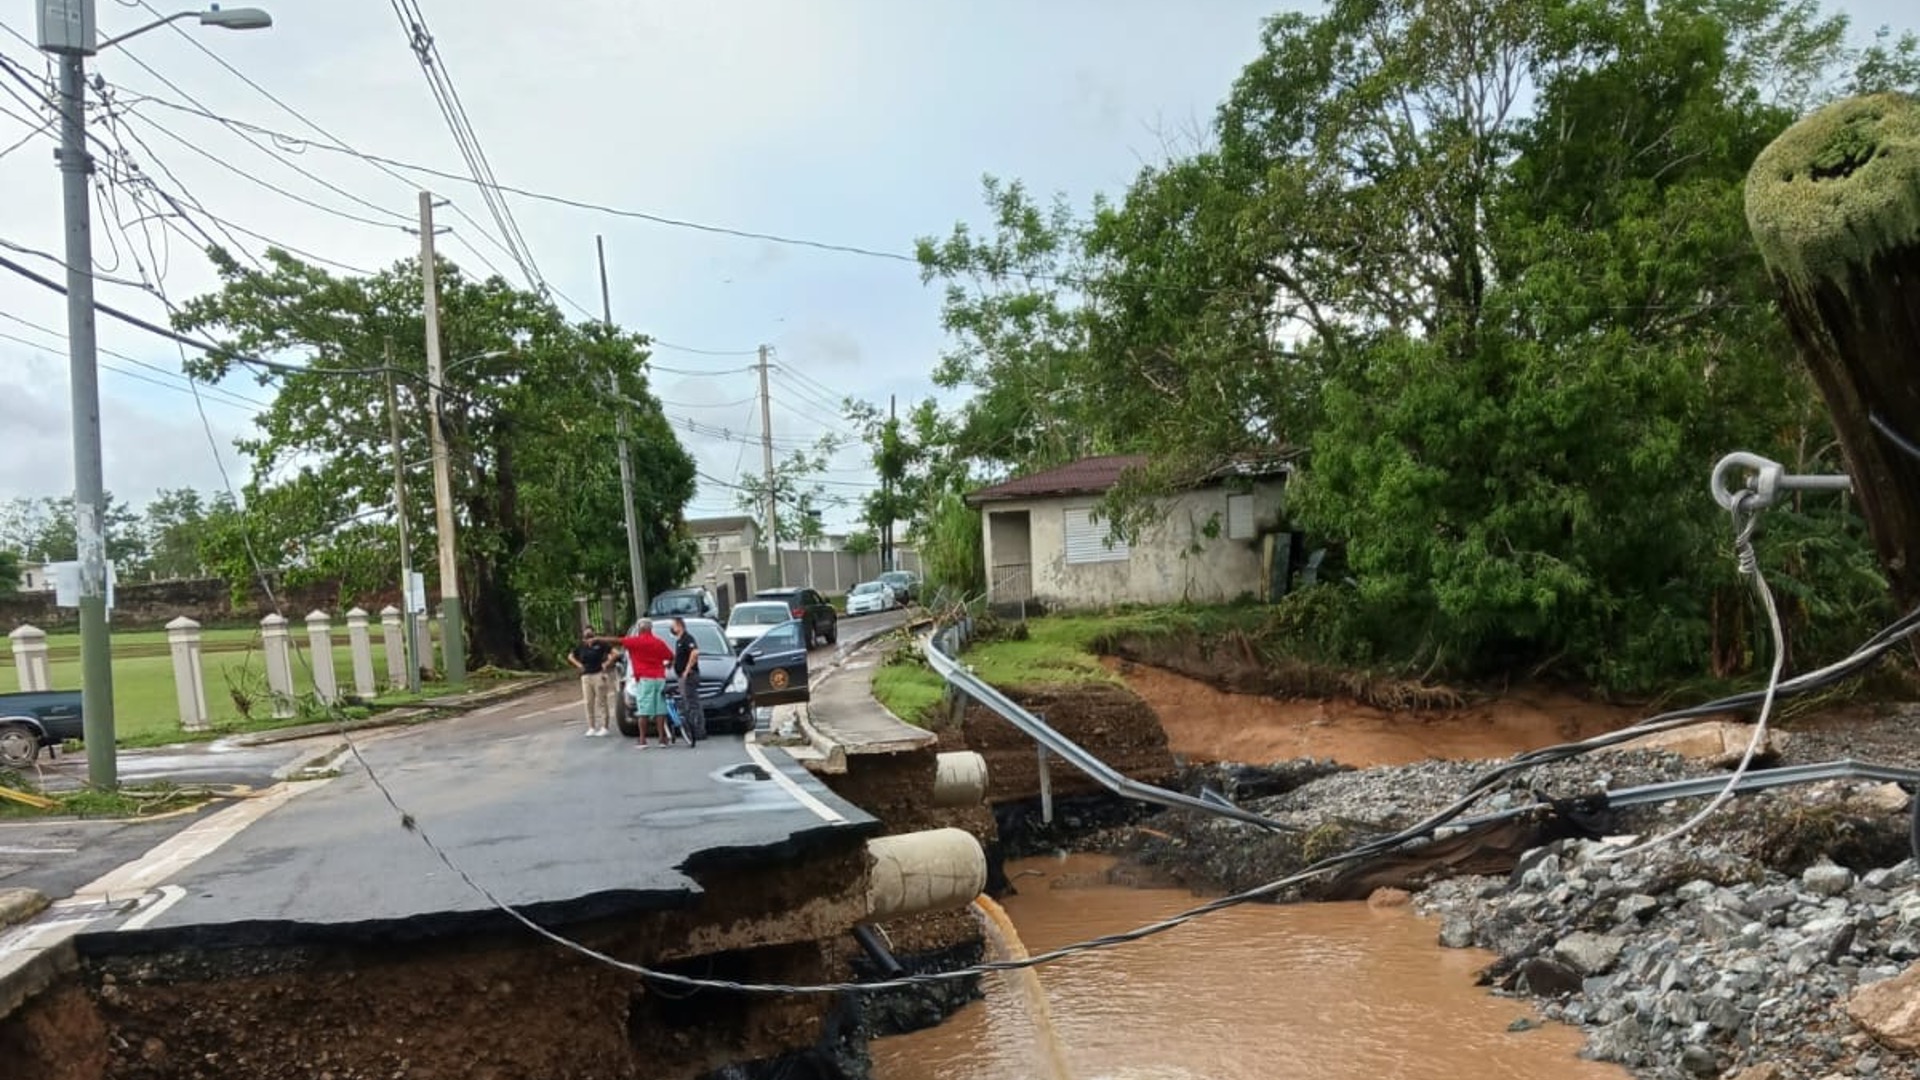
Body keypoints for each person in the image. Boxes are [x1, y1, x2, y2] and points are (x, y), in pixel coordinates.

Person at [604, 623, 674, 748]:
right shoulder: (659, 642)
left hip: (645, 679)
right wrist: (667, 665)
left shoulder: (635, 642)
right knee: (660, 710)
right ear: (651, 630)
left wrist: (597, 639)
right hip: (659, 678)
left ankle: (642, 739)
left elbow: (616, 640)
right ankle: (662, 739)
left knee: (643, 710)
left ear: (640, 630)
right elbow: (671, 657)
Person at [567, 627, 614, 737]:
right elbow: (570, 656)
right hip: (586, 676)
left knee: (601, 701)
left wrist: (606, 664)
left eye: (590, 636)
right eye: (586, 637)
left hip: (598, 674)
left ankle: (605, 726)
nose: (589, 639)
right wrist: (579, 665)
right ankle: (591, 727)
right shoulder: (581, 647)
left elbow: (615, 653)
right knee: (588, 702)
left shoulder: (601, 644)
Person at [669, 616, 706, 742]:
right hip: (681, 676)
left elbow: (694, 652)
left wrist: (686, 669)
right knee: (687, 703)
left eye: (673, 626)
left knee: (692, 703)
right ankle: (691, 730)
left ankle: (698, 731)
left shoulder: (687, 638)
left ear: (679, 626)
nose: (672, 628)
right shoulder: (679, 641)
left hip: (689, 676)